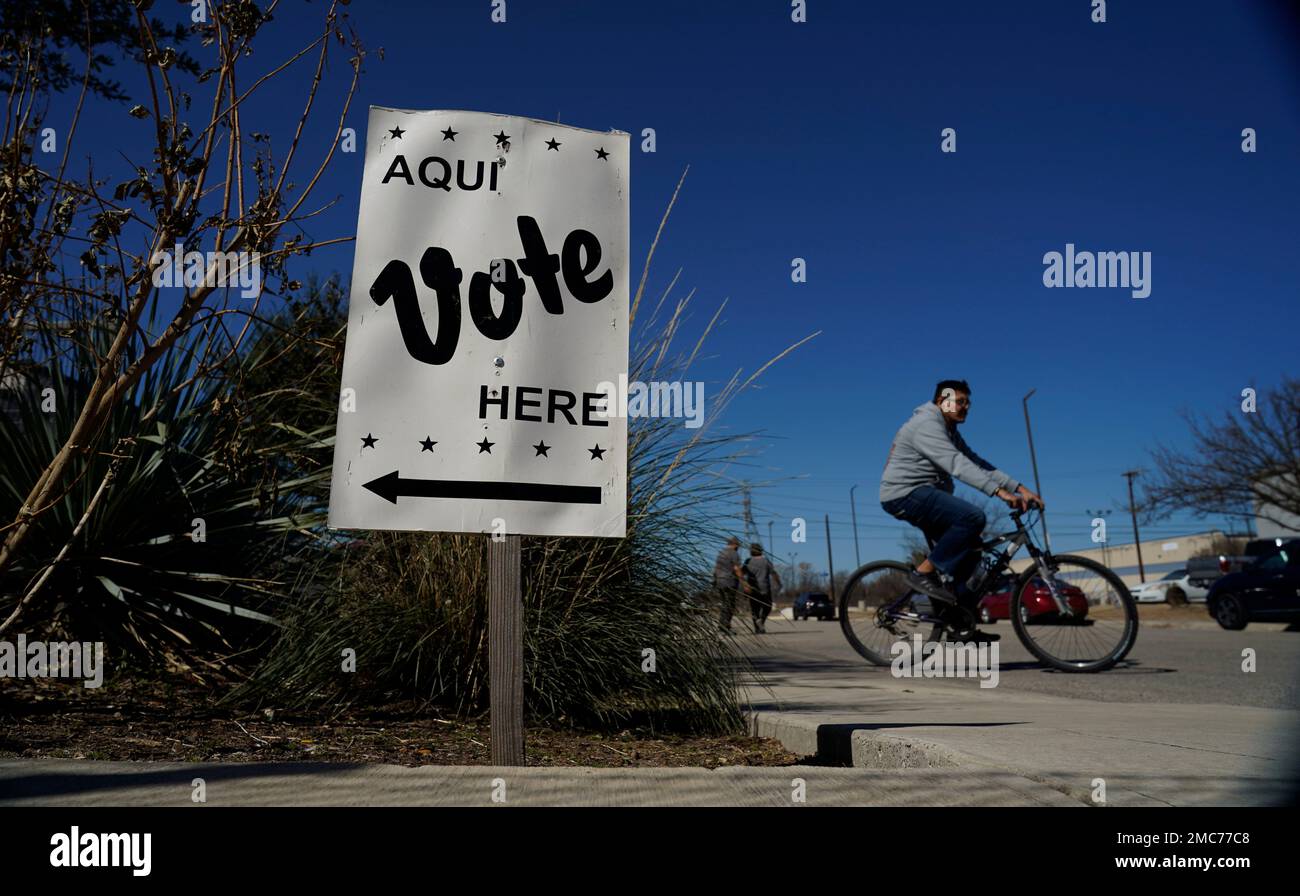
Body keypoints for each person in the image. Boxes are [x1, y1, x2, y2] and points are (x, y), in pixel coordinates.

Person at [879, 379, 1043, 643]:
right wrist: (999, 493)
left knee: (971, 554)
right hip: (904, 494)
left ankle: (959, 625)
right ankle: (923, 574)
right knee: (972, 517)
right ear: (942, 400)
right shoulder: (927, 425)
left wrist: (1020, 488)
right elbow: (956, 464)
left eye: (968, 403)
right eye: (959, 401)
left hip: (927, 495)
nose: (965, 407)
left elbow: (976, 462)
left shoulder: (949, 430)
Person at [743, 544, 782, 634]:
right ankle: (762, 620)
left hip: (752, 589)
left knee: (754, 609)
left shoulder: (748, 561)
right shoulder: (766, 561)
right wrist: (779, 583)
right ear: (761, 550)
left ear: (751, 551)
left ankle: (757, 629)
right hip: (765, 588)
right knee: (767, 606)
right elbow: (773, 573)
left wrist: (744, 585)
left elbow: (742, 573)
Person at [713, 536, 745, 633]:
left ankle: (722, 626)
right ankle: (725, 627)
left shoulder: (721, 553)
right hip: (729, 582)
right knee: (730, 604)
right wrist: (744, 582)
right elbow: (736, 568)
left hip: (720, 581)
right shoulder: (734, 553)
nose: (738, 547)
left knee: (724, 604)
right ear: (735, 544)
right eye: (738, 545)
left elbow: (716, 568)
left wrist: (714, 580)